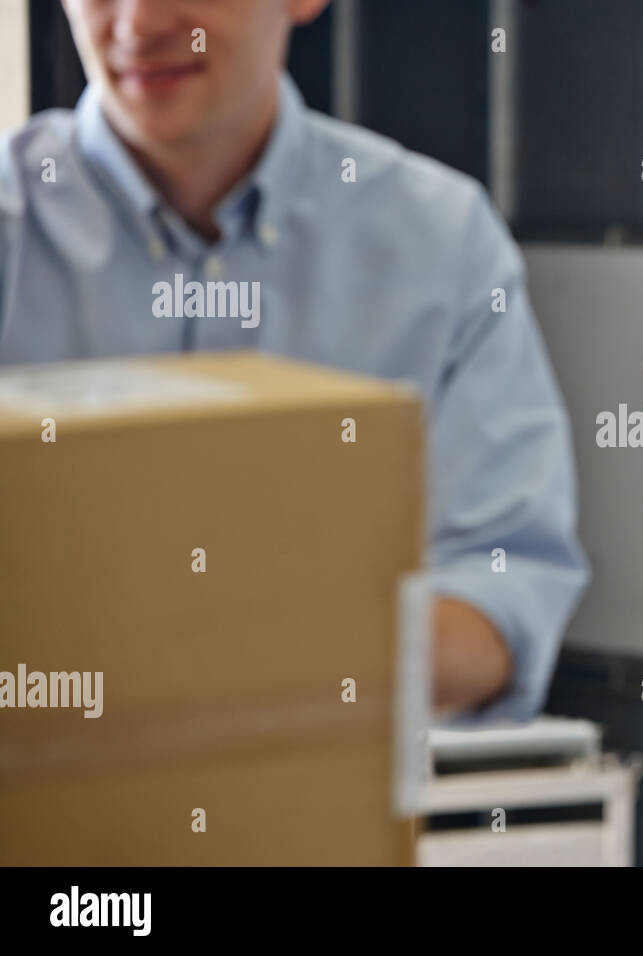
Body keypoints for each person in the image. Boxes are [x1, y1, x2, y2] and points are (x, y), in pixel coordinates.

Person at [0, 0, 588, 723]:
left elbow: (499, 600)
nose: (137, 23)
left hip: (319, 801)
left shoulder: (440, 242)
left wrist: (216, 668)